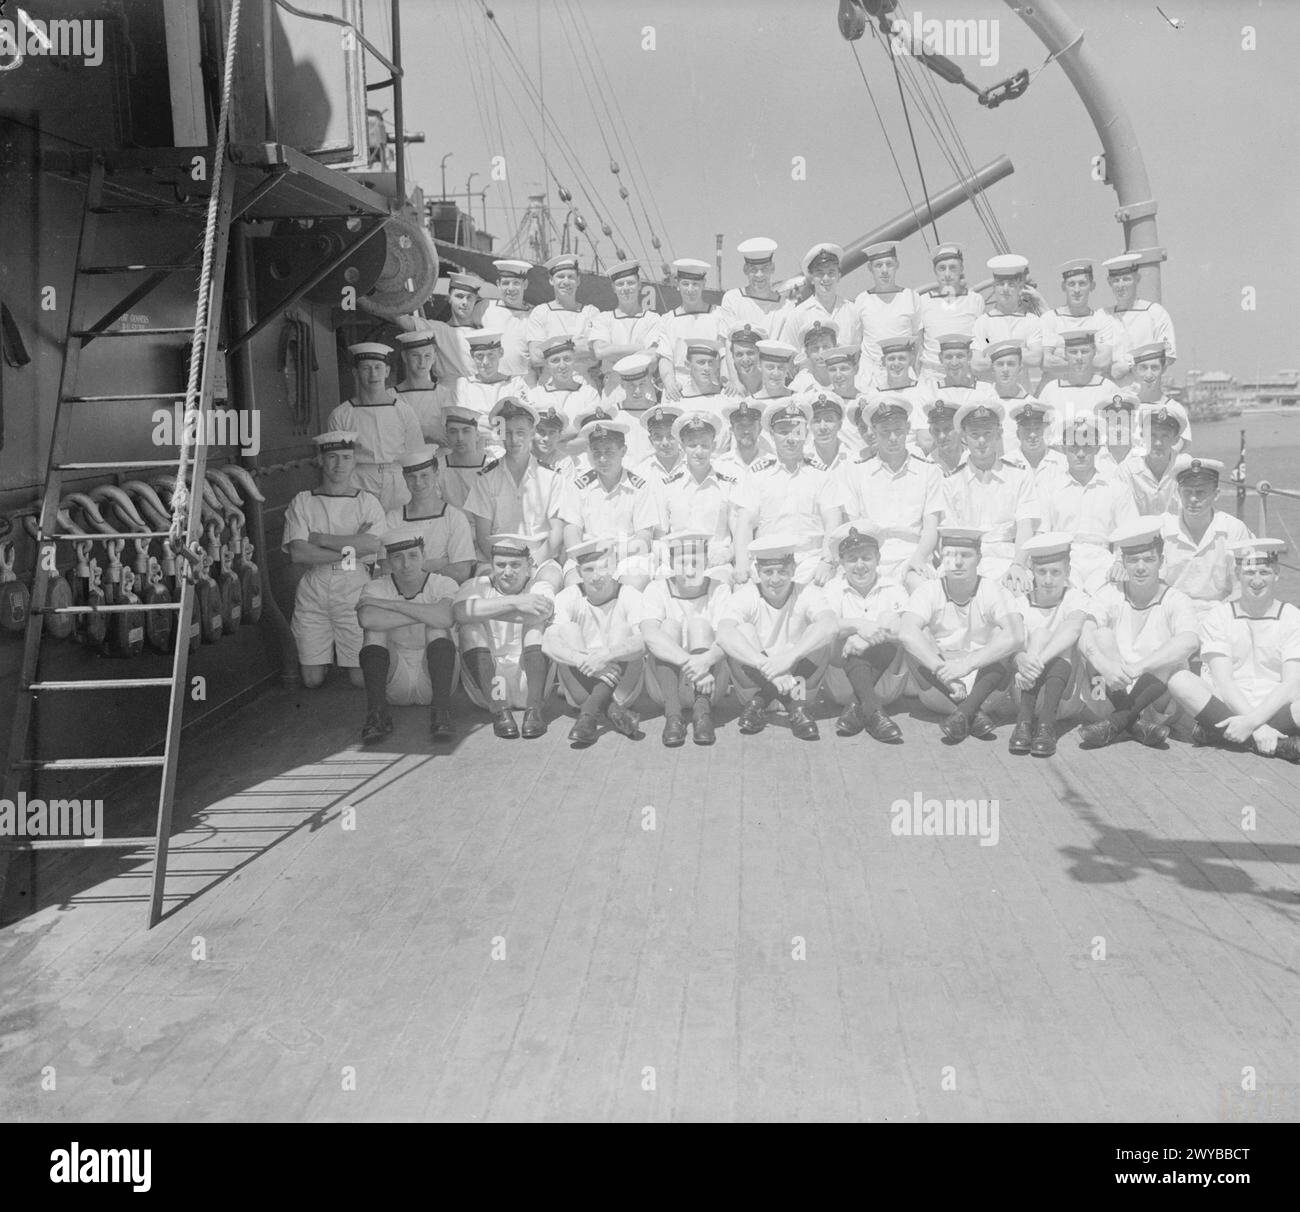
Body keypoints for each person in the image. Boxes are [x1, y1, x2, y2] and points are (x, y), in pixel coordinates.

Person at [1165, 538, 1300, 762]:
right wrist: (1256, 727)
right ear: (1237, 574)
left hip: (1277, 709)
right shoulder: (1219, 615)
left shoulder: (1293, 617)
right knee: (1179, 680)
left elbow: (1290, 684)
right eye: (1249, 573)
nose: (1257, 580)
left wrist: (1251, 722)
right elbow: (1224, 683)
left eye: (1264, 572)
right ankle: (1278, 744)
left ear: (1276, 573)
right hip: (1230, 706)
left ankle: (1221, 734)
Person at [1077, 517, 1200, 748]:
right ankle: (1129, 722)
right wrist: (1103, 665)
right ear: (1123, 561)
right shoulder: (1110, 593)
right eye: (1133, 560)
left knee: (1171, 653)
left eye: (1149, 559)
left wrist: (1139, 667)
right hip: (1105, 696)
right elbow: (1084, 633)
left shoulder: (1176, 599)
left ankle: (1119, 722)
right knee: (1099, 637)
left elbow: (1190, 641)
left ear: (1161, 561)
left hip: (1157, 705)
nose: (1141, 567)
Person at [898, 525, 1025, 741]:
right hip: (942, 688)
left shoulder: (993, 590)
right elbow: (906, 633)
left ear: (979, 558)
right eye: (950, 556)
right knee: (920, 631)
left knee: (1001, 632)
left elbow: (1017, 636)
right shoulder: (929, 590)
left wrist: (967, 664)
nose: (957, 562)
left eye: (965, 556)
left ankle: (966, 712)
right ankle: (970, 713)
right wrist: (944, 674)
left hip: (985, 689)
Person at [282, 431, 385, 689]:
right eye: (332, 457)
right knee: (312, 680)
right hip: (314, 588)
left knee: (361, 680)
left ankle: (348, 657)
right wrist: (352, 545)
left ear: (354, 461)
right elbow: (299, 553)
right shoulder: (303, 501)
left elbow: (371, 544)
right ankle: (327, 656)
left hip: (354, 586)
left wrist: (319, 538)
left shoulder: (367, 502)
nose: (339, 465)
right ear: (321, 460)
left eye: (346, 457)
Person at [716, 535, 839, 740]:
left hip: (798, 684)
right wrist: (769, 670)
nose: (775, 579)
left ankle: (765, 701)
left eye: (782, 571)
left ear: (793, 569)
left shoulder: (807, 592)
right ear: (757, 571)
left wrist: (789, 658)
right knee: (742, 630)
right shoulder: (746, 595)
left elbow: (831, 625)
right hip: (754, 682)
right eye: (768, 572)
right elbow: (724, 634)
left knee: (818, 632)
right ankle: (794, 709)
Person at [355, 525, 460, 743]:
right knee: (375, 632)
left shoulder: (443, 583)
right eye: (397, 558)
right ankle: (377, 715)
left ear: (424, 555)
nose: (406, 564)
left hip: (434, 679)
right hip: (395, 679)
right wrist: (427, 612)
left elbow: (445, 619)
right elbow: (367, 620)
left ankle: (441, 713)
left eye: (413, 555)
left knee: (437, 628)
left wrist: (391, 605)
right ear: (388, 561)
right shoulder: (376, 587)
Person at [542, 538, 647, 744]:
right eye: (589, 569)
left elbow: (645, 641)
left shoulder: (629, 594)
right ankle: (612, 712)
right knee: (568, 630)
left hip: (623, 689)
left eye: (603, 568)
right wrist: (584, 660)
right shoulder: (569, 595)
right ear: (580, 572)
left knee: (623, 630)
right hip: (579, 684)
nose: (597, 576)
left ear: (614, 567)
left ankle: (588, 716)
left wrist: (606, 656)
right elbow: (548, 642)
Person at [833, 395, 942, 591]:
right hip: (869, 556)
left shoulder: (929, 471)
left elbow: (930, 528)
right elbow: (853, 525)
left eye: (898, 430)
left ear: (908, 429)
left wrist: (917, 559)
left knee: (924, 589)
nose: (893, 438)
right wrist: (867, 563)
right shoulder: (855, 471)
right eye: (884, 432)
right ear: (873, 431)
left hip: (913, 553)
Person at [454, 533, 556, 739]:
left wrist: (484, 610)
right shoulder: (476, 585)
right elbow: (460, 612)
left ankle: (534, 711)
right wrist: (514, 603)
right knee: (469, 628)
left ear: (529, 564)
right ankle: (500, 712)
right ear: (491, 565)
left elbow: (541, 612)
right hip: (490, 686)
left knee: (536, 626)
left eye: (515, 565)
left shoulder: (539, 585)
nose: (507, 572)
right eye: (500, 565)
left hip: (528, 681)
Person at [638, 531, 732, 746]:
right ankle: (673, 717)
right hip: (666, 688)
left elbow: (728, 639)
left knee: (699, 625)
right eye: (682, 563)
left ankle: (702, 714)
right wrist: (694, 665)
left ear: (707, 561)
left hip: (711, 683)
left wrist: (705, 662)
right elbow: (650, 635)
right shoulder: (656, 588)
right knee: (668, 627)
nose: (689, 571)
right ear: (671, 562)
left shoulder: (720, 589)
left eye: (696, 563)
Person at [735, 398, 841, 587]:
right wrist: (742, 564)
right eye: (783, 432)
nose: (790, 438)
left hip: (812, 562)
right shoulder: (757, 474)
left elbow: (833, 520)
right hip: (769, 562)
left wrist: (827, 561)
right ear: (772, 435)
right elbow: (745, 522)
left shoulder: (822, 474)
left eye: (797, 432)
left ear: (806, 434)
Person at [462, 397, 565, 587]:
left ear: (532, 432)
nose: (514, 439)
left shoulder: (551, 478)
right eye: (507, 433)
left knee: (550, 580)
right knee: (482, 584)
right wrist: (504, 565)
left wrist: (532, 564)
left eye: (520, 432)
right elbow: (484, 536)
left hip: (538, 557)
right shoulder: (485, 479)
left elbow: (556, 532)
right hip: (496, 558)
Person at [821, 520, 909, 741]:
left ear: (878, 559)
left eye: (866, 558)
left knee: (891, 623)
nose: (860, 565)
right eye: (852, 559)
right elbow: (826, 625)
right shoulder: (832, 588)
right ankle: (874, 712)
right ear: (841, 562)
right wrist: (860, 627)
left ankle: (859, 707)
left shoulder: (894, 587)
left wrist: (869, 639)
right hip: (841, 686)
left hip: (887, 687)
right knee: (843, 633)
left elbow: (905, 629)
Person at [940, 400, 1040, 590]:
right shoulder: (951, 481)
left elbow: (1025, 527)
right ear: (963, 437)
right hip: (966, 559)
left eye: (988, 434)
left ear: (999, 434)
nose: (981, 441)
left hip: (1008, 558)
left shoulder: (1019, 475)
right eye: (974, 435)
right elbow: (950, 537)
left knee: (1018, 592)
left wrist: (1018, 564)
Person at [1007, 532, 1091, 756]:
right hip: (1025, 693)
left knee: (1048, 635)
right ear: (1031, 572)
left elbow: (1073, 628)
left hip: (1065, 698)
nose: (1047, 580)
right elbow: (1011, 645)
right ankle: (1025, 723)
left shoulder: (1075, 597)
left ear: (1068, 573)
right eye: (1041, 572)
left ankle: (1045, 725)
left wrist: (1035, 663)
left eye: (1056, 572)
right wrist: (1022, 660)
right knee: (1040, 635)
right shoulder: (1019, 603)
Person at [558, 416, 659, 589]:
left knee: (634, 583)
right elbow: (571, 531)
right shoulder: (578, 487)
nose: (602, 459)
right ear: (589, 452)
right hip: (586, 556)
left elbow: (644, 537)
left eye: (609, 452)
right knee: (573, 585)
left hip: (628, 557)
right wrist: (584, 558)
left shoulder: (640, 487)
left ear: (623, 451)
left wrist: (613, 556)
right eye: (597, 452)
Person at [1041, 413, 1138, 593]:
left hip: (1104, 558)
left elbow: (1128, 533)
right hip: (1063, 559)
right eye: (1073, 447)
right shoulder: (1049, 489)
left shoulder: (1116, 488)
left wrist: (1120, 562)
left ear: (1097, 448)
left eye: (1087, 447)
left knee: (1108, 596)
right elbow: (1043, 533)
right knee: (1070, 597)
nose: (1080, 454)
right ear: (1063, 448)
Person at [326, 343, 424, 510]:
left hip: (397, 480)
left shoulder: (403, 411)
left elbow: (417, 454)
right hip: (358, 481)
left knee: (399, 531)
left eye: (378, 367)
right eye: (366, 368)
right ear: (355, 373)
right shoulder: (341, 414)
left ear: (387, 371)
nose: (373, 374)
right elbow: (336, 462)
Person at [1159, 455, 1254, 621]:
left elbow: (1243, 585)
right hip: (1173, 614)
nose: (1193, 499)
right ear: (1178, 493)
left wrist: (1219, 615)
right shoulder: (1163, 529)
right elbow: (1156, 584)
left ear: (1216, 494)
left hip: (1222, 612)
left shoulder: (1234, 530)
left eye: (1201, 492)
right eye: (1187, 492)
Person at [660, 410, 750, 569]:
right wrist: (670, 561)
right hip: (677, 561)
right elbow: (660, 534)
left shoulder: (728, 485)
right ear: (682, 447)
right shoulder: (668, 486)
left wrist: (728, 555)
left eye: (705, 445)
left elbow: (739, 533)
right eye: (692, 445)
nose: (699, 451)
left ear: (714, 446)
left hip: (717, 563)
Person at [385, 447, 475, 584]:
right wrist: (438, 564)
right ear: (404, 477)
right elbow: (387, 570)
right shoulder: (393, 518)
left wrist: (410, 570)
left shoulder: (454, 517)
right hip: (401, 596)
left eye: (424, 475)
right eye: (411, 477)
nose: (418, 483)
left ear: (436, 473)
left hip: (444, 595)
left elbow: (461, 572)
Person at [1103, 252, 1177, 388]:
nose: (1121, 285)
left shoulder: (1155, 312)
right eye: (1116, 280)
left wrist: (1130, 364)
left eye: (1126, 279)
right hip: (1112, 395)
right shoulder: (1102, 315)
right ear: (1109, 282)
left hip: (1146, 393)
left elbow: (1168, 355)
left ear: (1137, 278)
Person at [654, 258, 726, 398]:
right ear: (677, 284)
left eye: (695, 284)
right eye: (685, 284)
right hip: (679, 389)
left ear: (704, 284)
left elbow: (724, 355)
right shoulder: (667, 320)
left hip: (712, 387)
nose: (690, 289)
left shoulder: (718, 315)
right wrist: (669, 383)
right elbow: (665, 357)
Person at [853, 241, 922, 385]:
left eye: (889, 264)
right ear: (870, 268)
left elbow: (918, 341)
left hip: (902, 373)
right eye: (878, 265)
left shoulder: (911, 297)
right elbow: (857, 341)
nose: (884, 270)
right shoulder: (862, 300)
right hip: (869, 377)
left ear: (897, 265)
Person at [971, 254, 1044, 390]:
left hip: (1021, 398)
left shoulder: (1030, 321)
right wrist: (1019, 355)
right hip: (989, 397)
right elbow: (976, 364)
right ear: (994, 287)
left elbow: (1036, 358)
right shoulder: (983, 322)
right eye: (1000, 284)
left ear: (1020, 287)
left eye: (1011, 284)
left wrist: (994, 356)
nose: (1005, 289)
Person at [588, 259, 661, 395]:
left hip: (644, 388)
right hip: (613, 388)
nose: (626, 288)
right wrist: (640, 347)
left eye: (631, 283)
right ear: (613, 288)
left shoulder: (653, 318)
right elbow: (600, 351)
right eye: (620, 284)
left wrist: (614, 352)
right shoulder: (603, 318)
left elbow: (652, 356)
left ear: (639, 285)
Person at [1036, 329, 1122, 441]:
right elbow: (1042, 430)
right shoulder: (1051, 389)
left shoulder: (1109, 389)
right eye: (1073, 352)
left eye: (1085, 351)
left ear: (1094, 352)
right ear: (1065, 354)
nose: (1079, 357)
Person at [1038, 259, 1118, 379]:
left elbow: (1103, 362)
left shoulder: (1101, 320)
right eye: (1071, 284)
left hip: (1091, 390)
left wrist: (1061, 356)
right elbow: (1045, 361)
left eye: (1082, 283)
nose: (1076, 290)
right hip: (1057, 390)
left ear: (1092, 286)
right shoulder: (1050, 318)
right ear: (1063, 286)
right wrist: (1087, 359)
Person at [916, 243, 984, 384]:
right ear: (935, 271)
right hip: (931, 375)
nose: (947, 274)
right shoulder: (922, 301)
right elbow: (918, 346)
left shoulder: (975, 300)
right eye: (942, 268)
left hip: (965, 374)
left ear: (961, 269)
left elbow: (982, 339)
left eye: (953, 268)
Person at [526, 254, 599, 383]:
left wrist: (550, 347)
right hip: (549, 384)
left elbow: (596, 351)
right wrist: (579, 345)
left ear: (578, 281)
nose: (566, 281)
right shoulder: (541, 312)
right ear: (551, 280)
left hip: (583, 384)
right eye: (560, 276)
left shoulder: (591, 312)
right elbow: (536, 357)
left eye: (571, 277)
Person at [784, 243, 862, 352]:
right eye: (820, 273)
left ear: (839, 276)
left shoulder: (852, 312)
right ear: (811, 278)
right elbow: (789, 356)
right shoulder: (797, 315)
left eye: (831, 273)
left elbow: (857, 354)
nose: (826, 278)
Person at [719, 237, 792, 341]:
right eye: (753, 269)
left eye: (765, 269)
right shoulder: (732, 299)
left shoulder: (786, 306)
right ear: (745, 270)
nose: (759, 275)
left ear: (773, 268)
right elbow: (725, 340)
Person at [1122, 400, 1187, 515]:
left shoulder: (1185, 466)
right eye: (1152, 435)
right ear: (1142, 436)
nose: (1158, 443)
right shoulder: (1127, 470)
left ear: (1176, 439)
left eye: (1165, 436)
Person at [527, 334, 603, 429]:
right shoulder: (536, 395)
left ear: (574, 361)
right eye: (555, 361)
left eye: (567, 359)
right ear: (547, 365)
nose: (562, 366)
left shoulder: (589, 394)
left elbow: (594, 429)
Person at [454, 330, 528, 422]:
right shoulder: (463, 385)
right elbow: (459, 420)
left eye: (491, 355)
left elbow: (520, 420)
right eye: (479, 355)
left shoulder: (515, 384)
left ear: (501, 353)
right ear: (472, 355)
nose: (485, 362)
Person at [480, 258, 535, 379]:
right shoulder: (485, 307)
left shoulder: (534, 317)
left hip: (522, 384)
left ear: (525, 284)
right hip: (491, 384)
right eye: (505, 283)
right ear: (498, 284)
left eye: (516, 283)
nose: (511, 288)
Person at [393, 330, 450, 444]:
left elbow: (448, 435)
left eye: (427, 355)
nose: (422, 362)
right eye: (415, 355)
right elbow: (390, 434)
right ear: (404, 357)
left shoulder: (444, 394)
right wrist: (425, 431)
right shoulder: (390, 396)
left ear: (434, 357)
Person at [438, 404, 497, 510]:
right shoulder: (438, 467)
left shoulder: (492, 466)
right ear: (446, 435)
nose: (460, 438)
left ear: (477, 435)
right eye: (453, 432)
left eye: (466, 431)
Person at [1007, 399, 1067, 488]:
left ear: (1048, 431)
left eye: (1038, 429)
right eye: (1027, 429)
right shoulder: (1006, 464)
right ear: (1018, 434)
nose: (1032, 435)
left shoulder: (1063, 463)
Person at [715, 397, 775, 476]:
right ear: (732, 429)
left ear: (760, 428)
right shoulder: (720, 466)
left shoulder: (773, 464)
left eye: (751, 425)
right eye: (741, 426)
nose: (746, 431)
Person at [804, 391, 854, 473]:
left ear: (839, 424)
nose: (822, 427)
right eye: (817, 421)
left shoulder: (853, 458)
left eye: (829, 420)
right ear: (809, 425)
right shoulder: (800, 459)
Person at [789, 321, 838, 392]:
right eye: (815, 348)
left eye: (826, 347)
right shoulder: (800, 384)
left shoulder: (848, 378)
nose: (821, 353)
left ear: (835, 349)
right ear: (807, 353)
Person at [725, 324, 766, 398]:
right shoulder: (728, 393)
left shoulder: (771, 384)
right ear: (733, 356)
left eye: (750, 353)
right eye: (739, 354)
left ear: (760, 354)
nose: (745, 359)